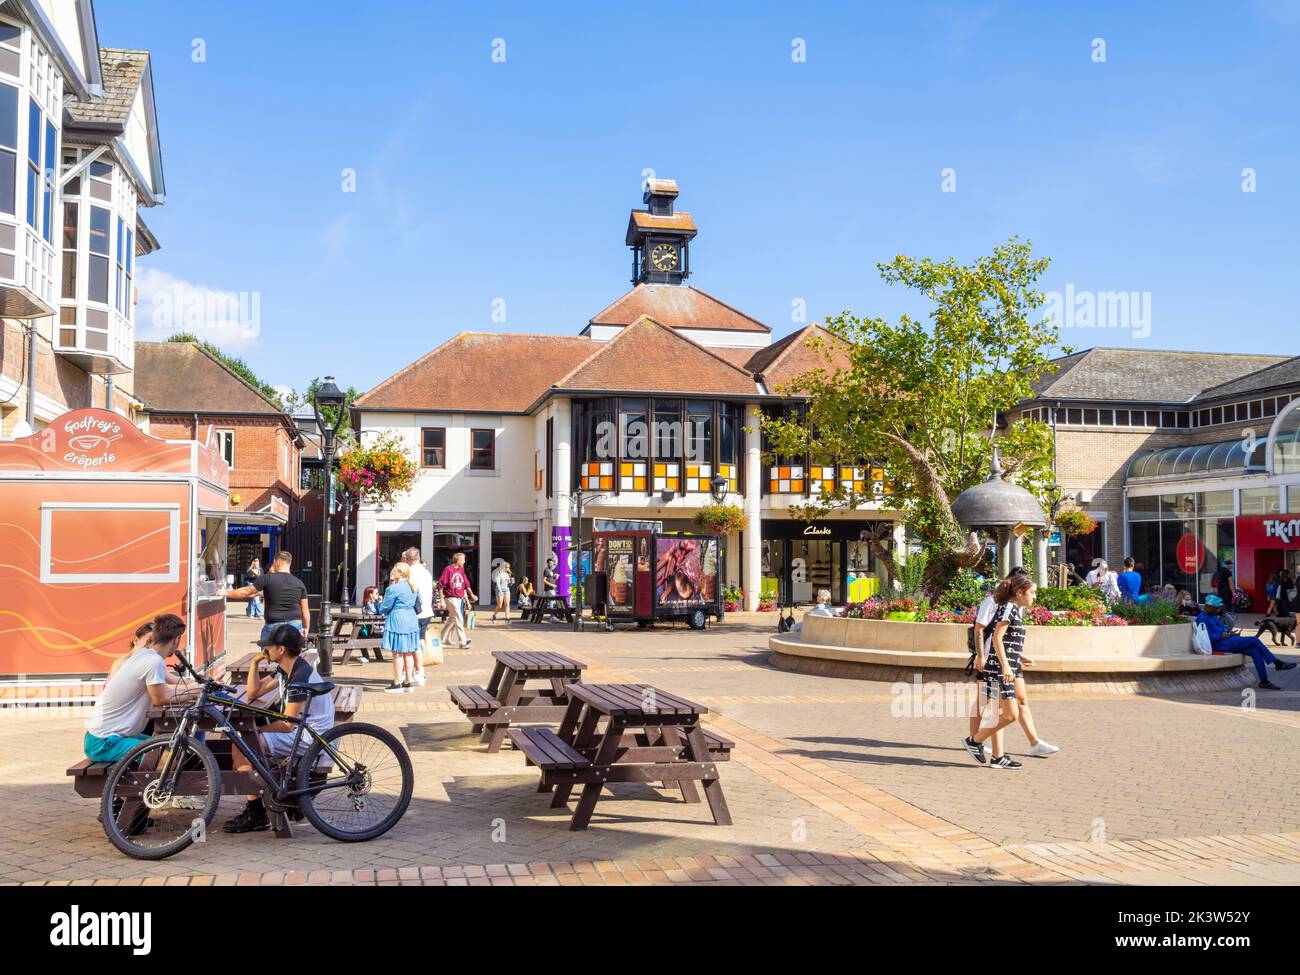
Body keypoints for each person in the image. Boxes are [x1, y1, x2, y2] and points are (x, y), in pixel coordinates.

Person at [222, 623, 335, 833]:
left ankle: (256, 812)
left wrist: (257, 733)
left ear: (281, 649)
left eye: (268, 646)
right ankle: (261, 803)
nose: (265, 650)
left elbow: (286, 724)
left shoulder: (299, 678)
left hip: (311, 738)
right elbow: (253, 693)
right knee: (248, 743)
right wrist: (256, 662)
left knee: (242, 745)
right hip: (305, 732)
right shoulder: (287, 670)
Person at [84, 615, 194, 762]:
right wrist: (193, 694)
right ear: (176, 640)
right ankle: (156, 785)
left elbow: (164, 690)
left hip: (105, 737)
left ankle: (157, 783)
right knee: (168, 758)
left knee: (175, 747)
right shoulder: (153, 661)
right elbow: (160, 698)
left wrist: (194, 690)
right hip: (104, 742)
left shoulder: (143, 655)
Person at [964, 575, 1047, 769]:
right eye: (1032, 593)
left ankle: (996, 755)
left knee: (1004, 712)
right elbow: (996, 638)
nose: (1034, 597)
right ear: (1019, 593)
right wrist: (1006, 665)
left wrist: (1019, 657)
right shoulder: (1008, 608)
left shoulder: (1015, 610)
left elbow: (1009, 641)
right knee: (1009, 714)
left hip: (1004, 667)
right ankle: (974, 741)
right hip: (999, 669)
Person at [1196, 595, 1295, 690]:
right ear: (1209, 607)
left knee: (1255, 652)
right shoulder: (1201, 618)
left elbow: (1222, 627)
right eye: (1216, 608)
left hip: (1227, 640)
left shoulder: (1212, 615)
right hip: (1218, 644)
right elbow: (1203, 636)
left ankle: (1264, 681)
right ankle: (1277, 663)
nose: (1218, 610)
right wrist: (1220, 635)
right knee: (1254, 640)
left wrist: (1229, 632)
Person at [224, 551, 310, 641]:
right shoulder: (299, 583)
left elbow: (246, 591)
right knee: (292, 654)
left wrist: (225, 593)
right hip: (295, 626)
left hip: (274, 627)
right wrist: (306, 628)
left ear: (277, 562)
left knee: (269, 654)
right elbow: (305, 611)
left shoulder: (267, 579)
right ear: (289, 563)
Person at [380, 562, 421, 693]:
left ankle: (397, 683)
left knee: (397, 653)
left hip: (398, 619)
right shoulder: (413, 586)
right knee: (408, 652)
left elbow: (384, 607)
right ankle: (408, 682)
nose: (392, 572)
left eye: (394, 570)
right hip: (411, 618)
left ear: (400, 573)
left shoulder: (393, 588)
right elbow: (420, 603)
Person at [403, 548, 435, 685]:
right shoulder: (426, 572)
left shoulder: (409, 573)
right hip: (426, 611)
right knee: (419, 641)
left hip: (413, 613)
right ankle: (419, 672)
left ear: (407, 559)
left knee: (409, 644)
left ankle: (414, 672)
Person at [439, 551, 476, 649]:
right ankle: (462, 641)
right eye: (463, 560)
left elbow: (466, 584)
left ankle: (441, 638)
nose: (464, 562)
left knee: (452, 619)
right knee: (459, 618)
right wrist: (442, 599)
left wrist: (471, 595)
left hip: (459, 598)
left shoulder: (461, 570)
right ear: (458, 560)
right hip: (450, 597)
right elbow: (440, 584)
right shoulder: (448, 570)